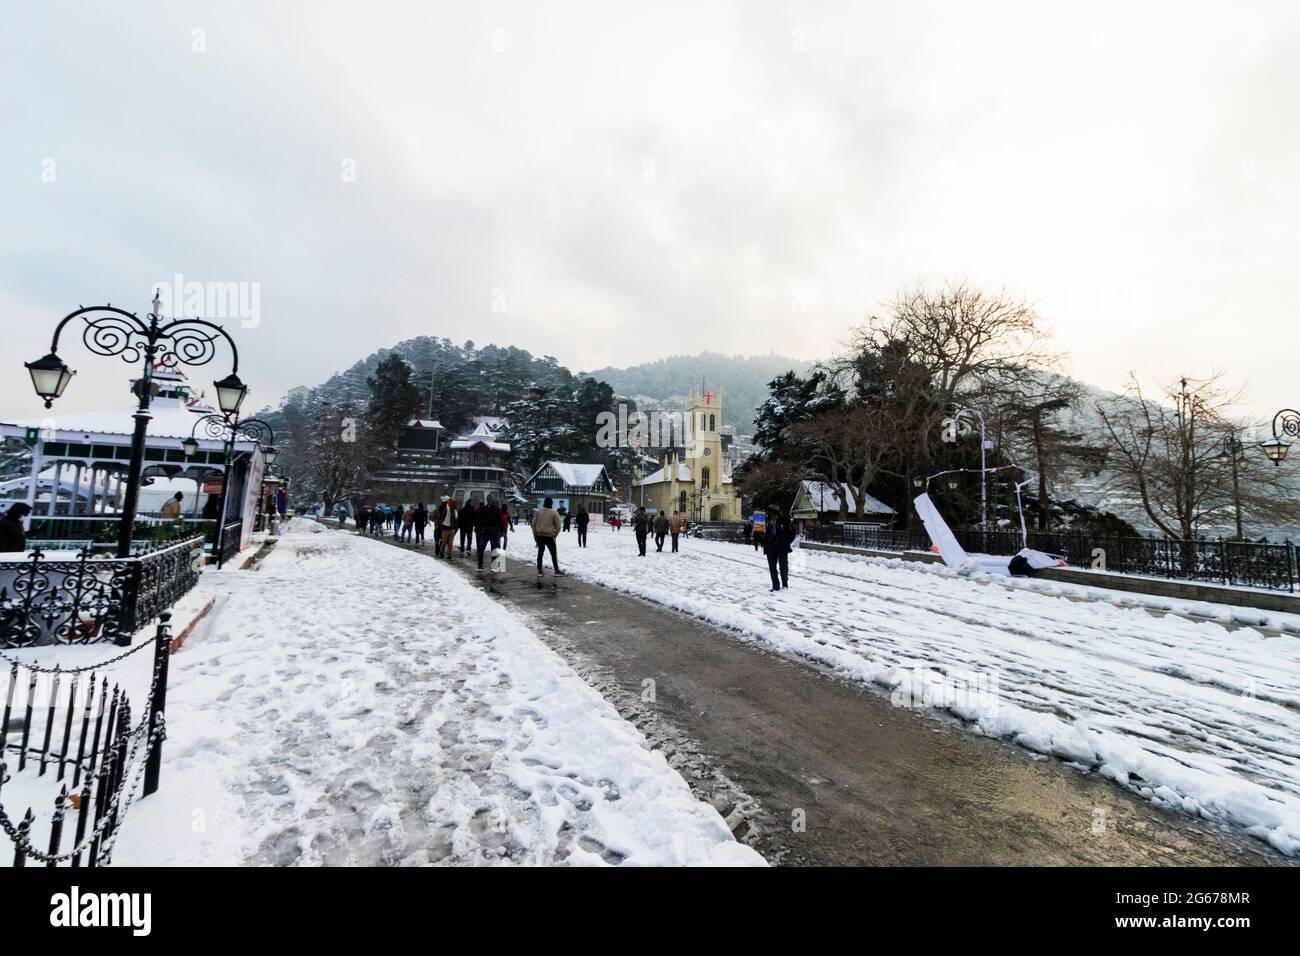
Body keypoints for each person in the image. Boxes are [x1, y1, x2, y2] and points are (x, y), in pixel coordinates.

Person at [532, 496, 564, 576]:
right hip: (549, 536)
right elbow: (558, 527)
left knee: (540, 553)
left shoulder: (539, 512)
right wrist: (554, 535)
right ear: (552, 504)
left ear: (544, 503)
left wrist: (536, 537)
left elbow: (533, 524)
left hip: (540, 535)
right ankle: (556, 570)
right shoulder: (554, 513)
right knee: (553, 554)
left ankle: (540, 570)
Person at [764, 510, 795, 592]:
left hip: (782, 548)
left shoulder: (784, 520)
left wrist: (786, 543)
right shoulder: (766, 520)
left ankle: (785, 585)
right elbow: (764, 533)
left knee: (783, 567)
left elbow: (792, 533)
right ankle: (775, 586)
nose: (769, 514)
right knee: (772, 567)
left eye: (771, 513)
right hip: (770, 547)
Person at [475, 495, 502, 571]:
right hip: (494, 530)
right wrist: (501, 531)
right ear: (492, 500)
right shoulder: (496, 509)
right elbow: (499, 521)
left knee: (481, 548)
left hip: (485, 530)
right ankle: (494, 567)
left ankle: (480, 566)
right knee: (494, 549)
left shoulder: (482, 509)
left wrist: (478, 529)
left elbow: (478, 520)